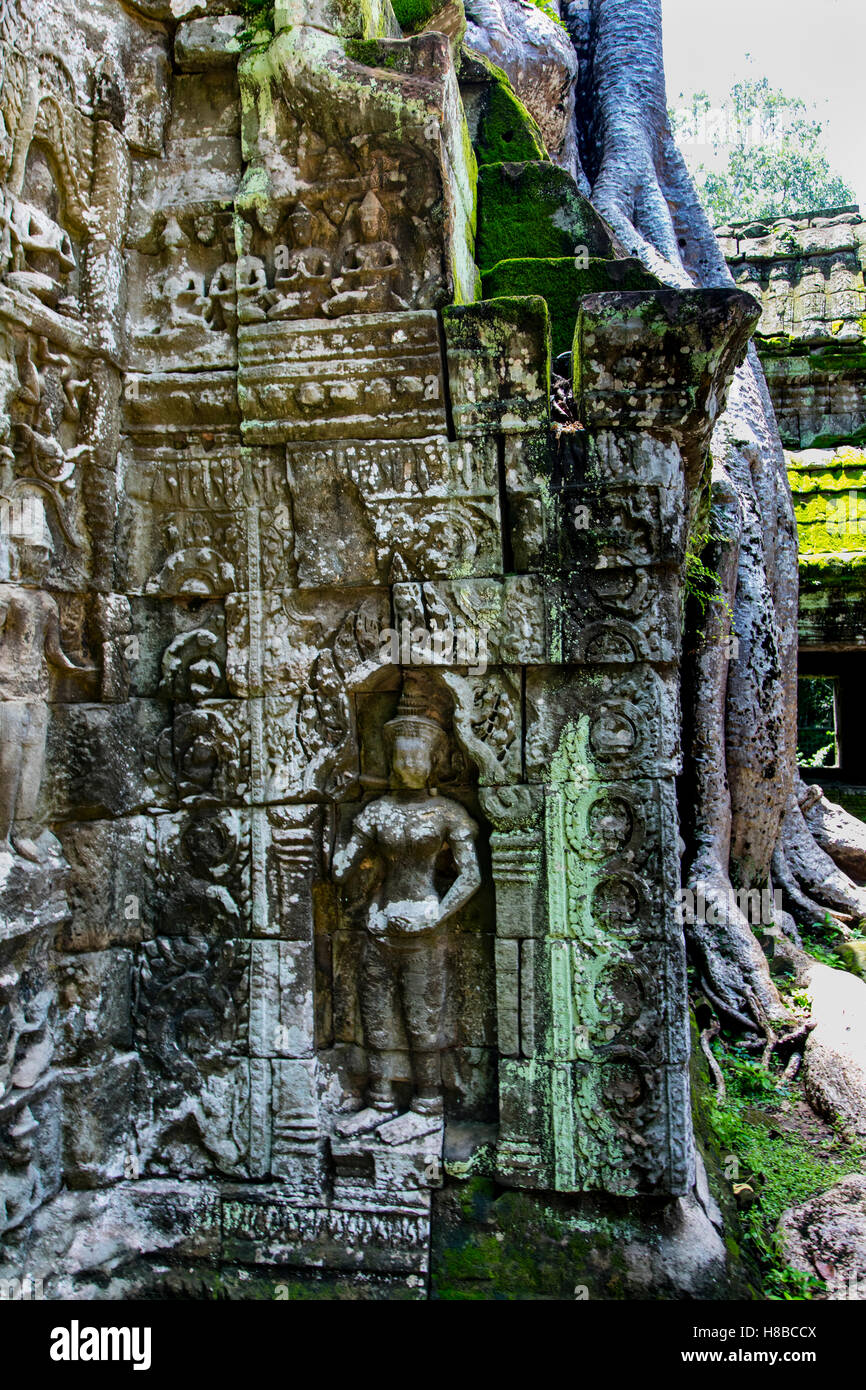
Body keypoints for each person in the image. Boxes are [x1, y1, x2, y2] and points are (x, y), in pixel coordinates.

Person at [333, 681, 481, 1141]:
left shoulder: (447, 814)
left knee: (422, 1020)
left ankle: (427, 1103)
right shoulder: (377, 812)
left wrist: (433, 916)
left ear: (435, 759)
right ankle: (379, 1100)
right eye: (400, 755)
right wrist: (326, 832)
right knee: (375, 1016)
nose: (408, 764)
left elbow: (470, 876)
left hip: (424, 930)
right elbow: (341, 868)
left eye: (417, 756)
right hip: (379, 927)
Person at [0, 505, 94, 860]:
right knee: (7, 764)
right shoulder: (8, 597)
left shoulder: (47, 602)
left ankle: (23, 831)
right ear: (19, 552)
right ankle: (1, 836)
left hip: (37, 692)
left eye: (46, 554)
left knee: (32, 766)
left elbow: (52, 650)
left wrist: (76, 669)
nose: (42, 560)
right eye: (36, 552)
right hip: (7, 690)